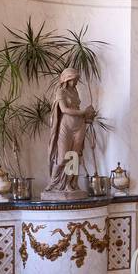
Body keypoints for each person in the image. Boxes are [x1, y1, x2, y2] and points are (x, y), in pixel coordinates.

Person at [43, 67, 96, 198]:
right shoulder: (60, 92)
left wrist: (88, 115)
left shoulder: (75, 91)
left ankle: (69, 184)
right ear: (67, 79)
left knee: (74, 157)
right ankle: (53, 183)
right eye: (74, 80)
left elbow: (76, 107)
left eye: (77, 80)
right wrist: (83, 112)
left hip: (79, 126)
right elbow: (64, 109)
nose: (76, 82)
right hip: (66, 126)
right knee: (62, 158)